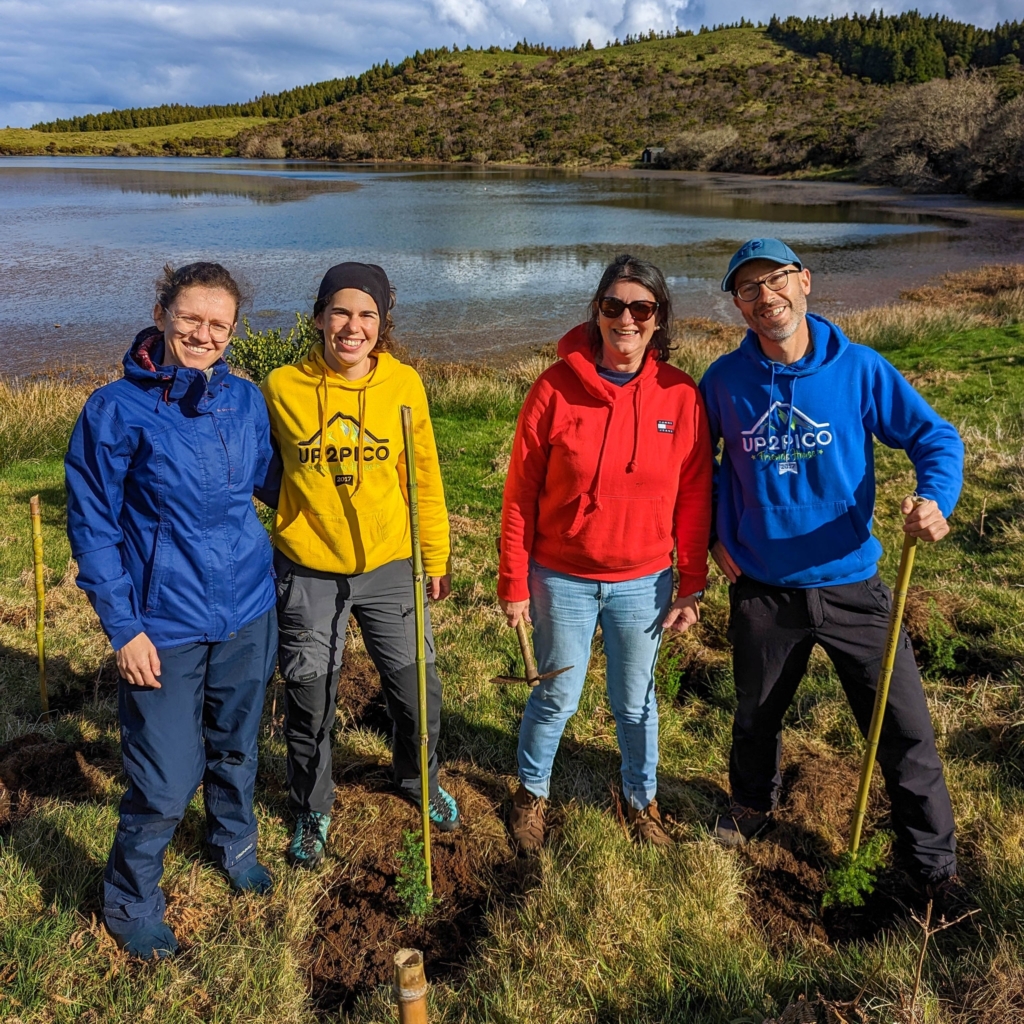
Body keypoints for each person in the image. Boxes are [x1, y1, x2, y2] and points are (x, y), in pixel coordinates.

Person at [700, 238, 965, 909]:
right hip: (763, 588)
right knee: (755, 720)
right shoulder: (724, 383)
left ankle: (932, 867)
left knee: (904, 731)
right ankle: (753, 807)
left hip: (853, 585)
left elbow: (935, 437)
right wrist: (712, 536)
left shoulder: (861, 370)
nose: (767, 299)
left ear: (806, 282)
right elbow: (694, 469)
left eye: (777, 280)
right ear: (737, 303)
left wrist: (936, 499)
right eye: (749, 289)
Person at [65, 263, 278, 960]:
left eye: (218, 325)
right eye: (191, 318)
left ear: (233, 332)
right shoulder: (114, 411)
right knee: (163, 780)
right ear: (161, 312)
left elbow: (275, 482)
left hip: (248, 607)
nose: (203, 334)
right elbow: (94, 528)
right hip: (163, 625)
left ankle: (234, 845)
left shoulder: (245, 401)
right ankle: (130, 902)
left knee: (238, 744)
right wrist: (123, 628)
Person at [498, 254, 712, 851]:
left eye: (641, 309)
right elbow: (520, 494)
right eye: (613, 306)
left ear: (659, 319)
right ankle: (530, 793)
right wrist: (513, 580)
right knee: (556, 694)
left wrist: (690, 582)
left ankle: (641, 802)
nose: (627, 319)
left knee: (636, 702)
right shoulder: (553, 388)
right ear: (596, 311)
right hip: (559, 577)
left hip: (645, 582)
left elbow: (695, 496)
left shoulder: (680, 395)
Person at [260, 262, 457, 871]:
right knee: (310, 695)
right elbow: (262, 469)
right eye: (340, 312)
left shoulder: (404, 385)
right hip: (309, 569)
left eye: (367, 314)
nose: (353, 326)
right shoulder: (281, 387)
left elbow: (422, 475)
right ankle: (313, 806)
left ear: (382, 323)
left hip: (391, 563)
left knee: (416, 691)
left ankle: (415, 779)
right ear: (318, 318)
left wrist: (437, 554)